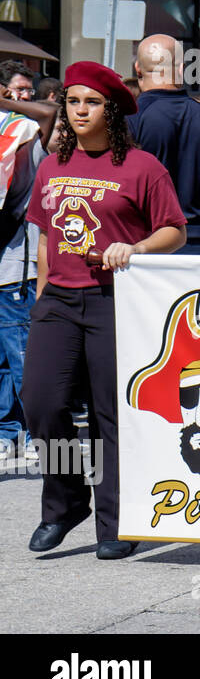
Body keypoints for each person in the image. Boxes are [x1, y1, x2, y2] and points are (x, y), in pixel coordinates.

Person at [23, 61, 186, 560]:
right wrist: (43, 293)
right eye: (71, 101)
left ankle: (117, 520)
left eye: (89, 102)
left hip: (116, 301)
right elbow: (47, 236)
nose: (78, 111)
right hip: (58, 301)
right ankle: (65, 503)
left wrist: (135, 248)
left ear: (111, 110)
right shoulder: (51, 166)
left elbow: (174, 230)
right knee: (42, 402)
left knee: (109, 415)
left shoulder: (141, 167)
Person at [126, 34, 200, 254]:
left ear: (138, 69)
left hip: (143, 247)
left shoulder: (128, 120)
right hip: (197, 246)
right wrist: (199, 191)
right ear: (181, 68)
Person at [0, 92, 56, 464]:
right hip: (8, 269)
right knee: (5, 361)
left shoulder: (23, 139)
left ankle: (44, 438)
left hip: (14, 269)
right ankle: (8, 433)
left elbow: (49, 114)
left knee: (22, 357)